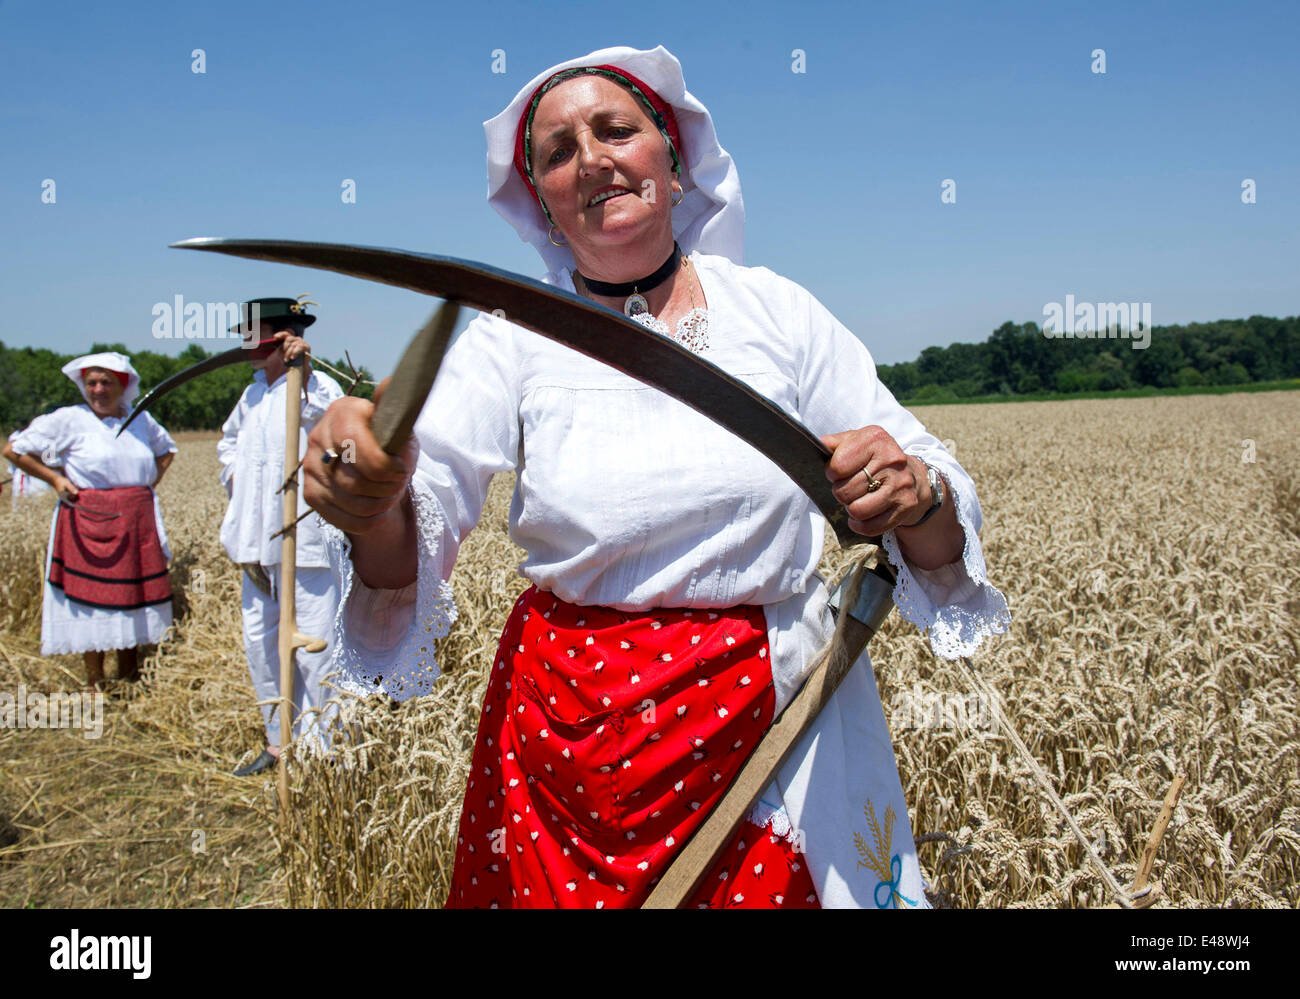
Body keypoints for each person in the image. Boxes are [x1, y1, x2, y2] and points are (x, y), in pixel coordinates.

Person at [304, 46, 1011, 908]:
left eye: (616, 130)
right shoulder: (507, 340)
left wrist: (914, 491)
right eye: (558, 153)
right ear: (545, 206)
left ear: (674, 165)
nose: (592, 159)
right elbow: (418, 521)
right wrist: (371, 502)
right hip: (573, 740)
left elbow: (933, 523)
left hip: (778, 712)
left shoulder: (776, 313)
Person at [218, 299, 345, 777]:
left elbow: (337, 438)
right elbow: (226, 443)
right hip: (255, 545)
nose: (246, 343)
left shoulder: (317, 387)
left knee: (316, 649)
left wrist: (305, 374)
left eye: (255, 333)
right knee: (262, 647)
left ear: (281, 336)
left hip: (306, 545)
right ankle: (279, 742)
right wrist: (236, 479)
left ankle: (326, 749)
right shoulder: (250, 396)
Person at [2, 351, 176, 689]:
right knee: (90, 603)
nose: (97, 389)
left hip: (136, 523)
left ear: (123, 385)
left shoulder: (140, 419)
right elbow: (15, 450)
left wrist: (148, 486)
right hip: (87, 521)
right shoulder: (69, 419)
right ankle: (95, 681)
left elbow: (167, 450)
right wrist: (55, 480)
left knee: (132, 599)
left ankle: (130, 678)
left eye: (106, 382)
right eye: (91, 382)